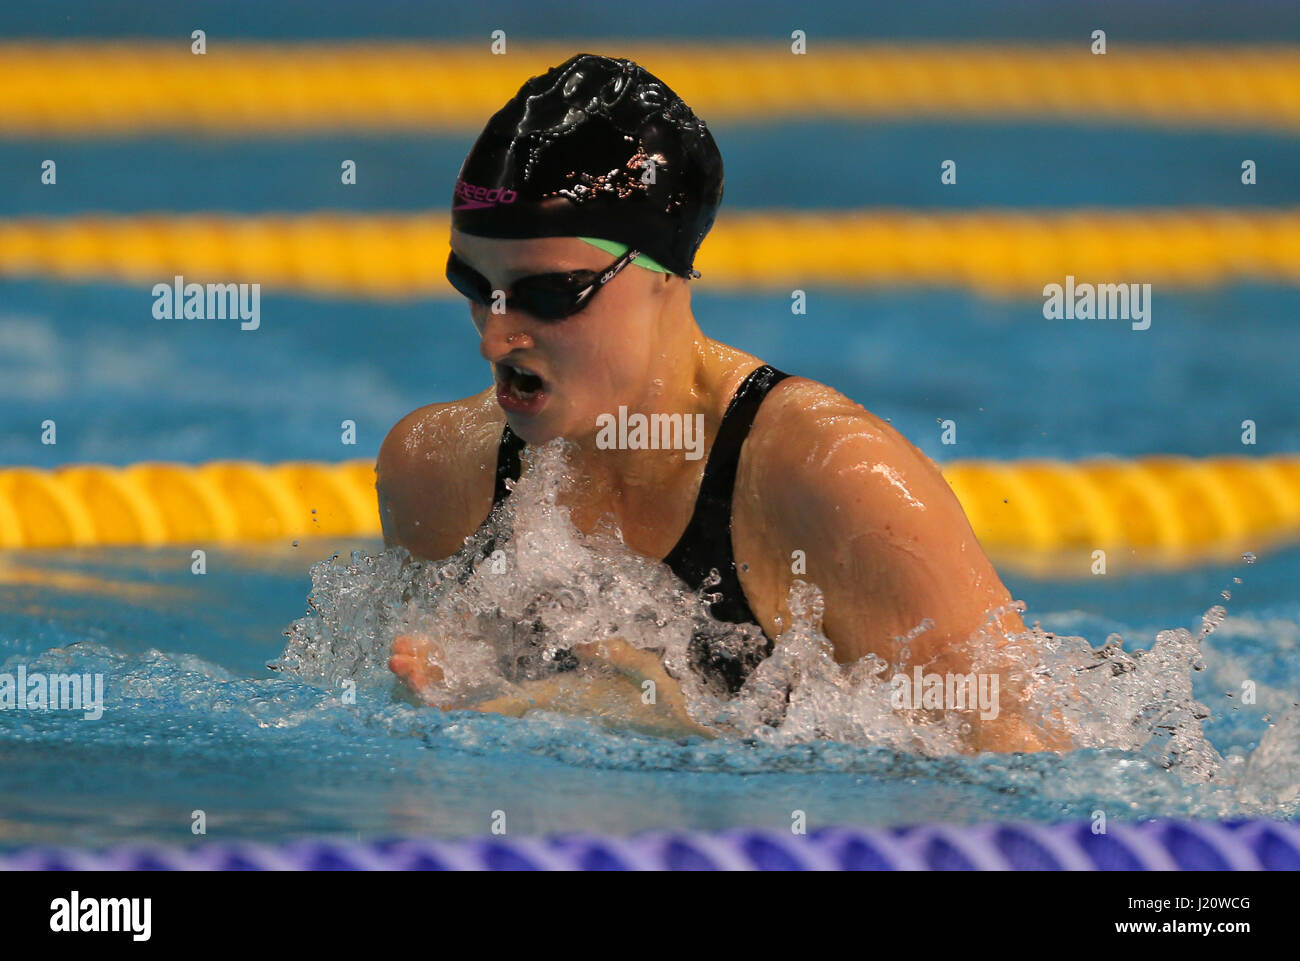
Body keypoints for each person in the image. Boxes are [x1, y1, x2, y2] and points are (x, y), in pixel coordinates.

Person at [379, 53, 1065, 751]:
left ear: (663, 276)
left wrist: (679, 730)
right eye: (473, 284)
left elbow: (1023, 776)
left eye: (551, 293)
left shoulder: (837, 480)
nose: (495, 337)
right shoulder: (437, 472)